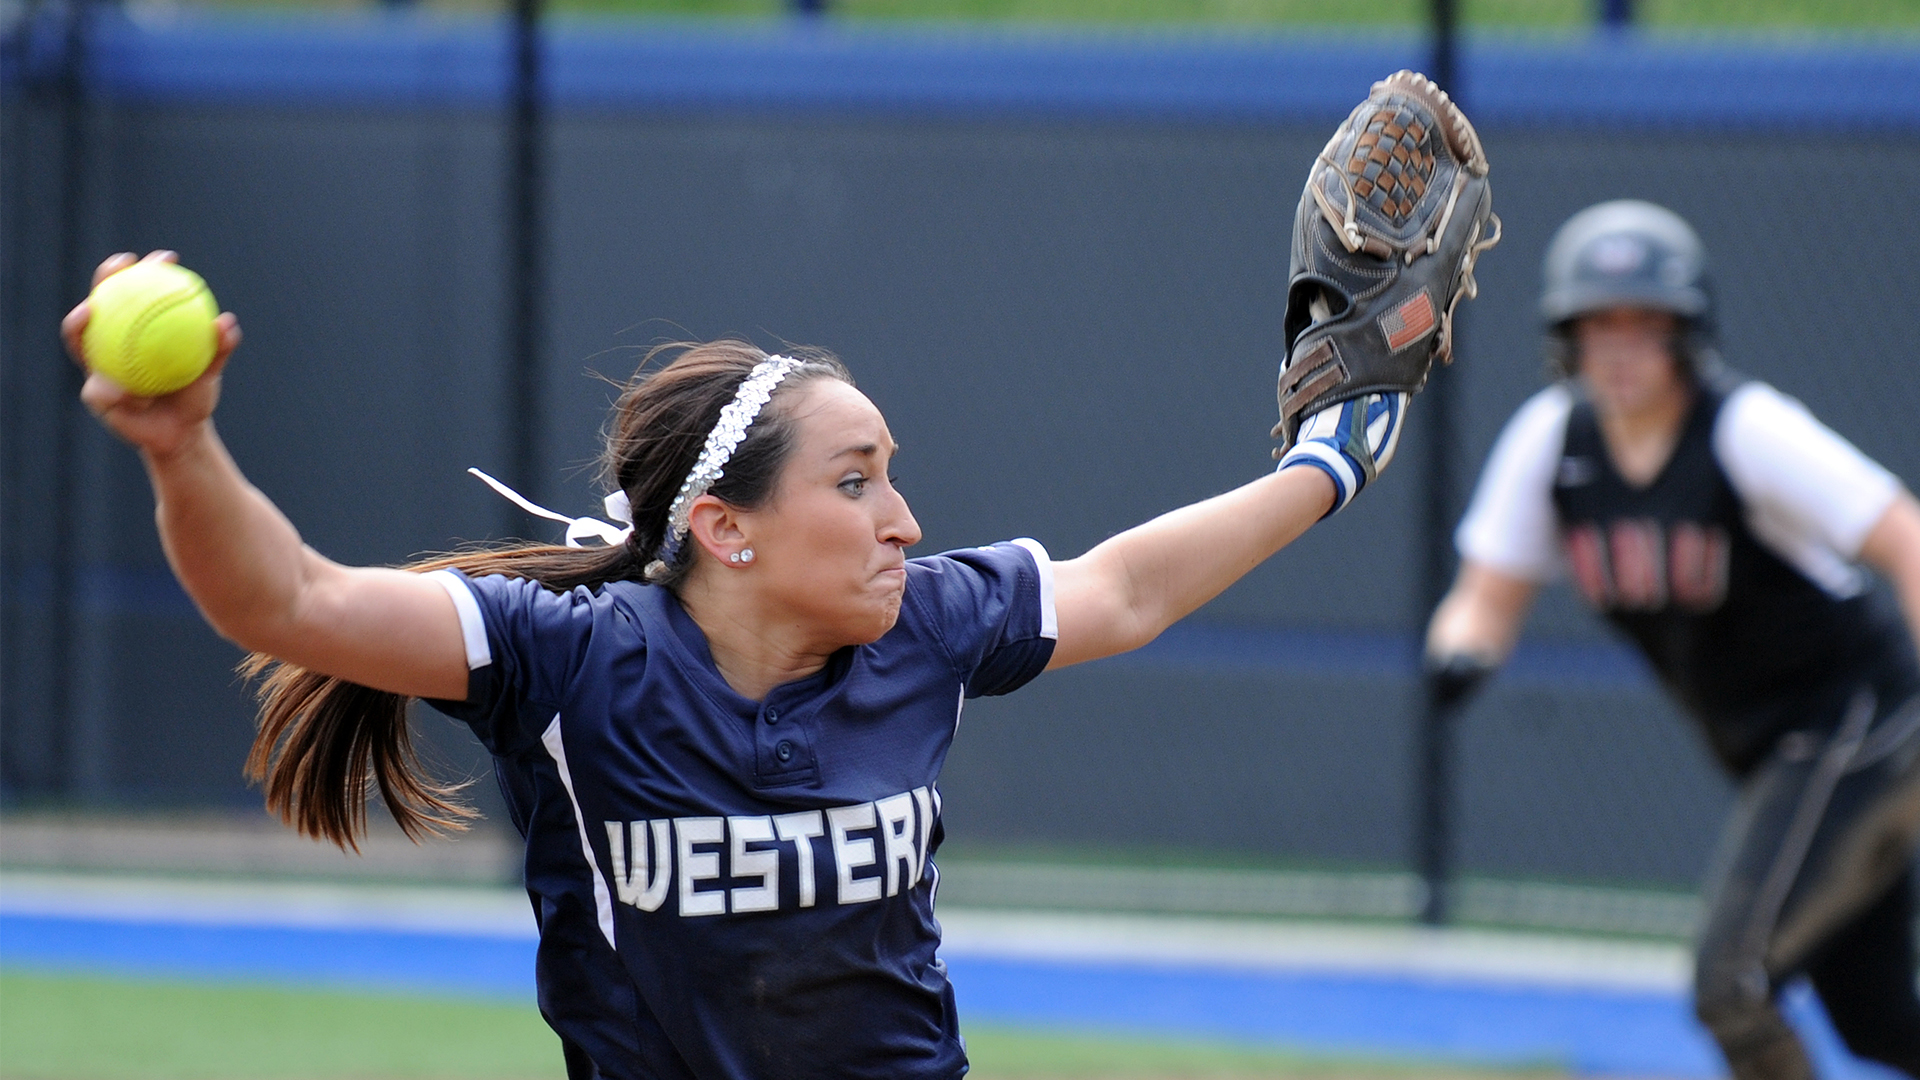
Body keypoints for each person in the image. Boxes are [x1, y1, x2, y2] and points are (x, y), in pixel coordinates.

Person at [64, 250, 1407, 1080]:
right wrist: (181, 448)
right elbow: (285, 601)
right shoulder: (572, 667)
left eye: (893, 476)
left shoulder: (926, 627)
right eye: (857, 480)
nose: (905, 520)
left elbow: (1124, 588)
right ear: (724, 528)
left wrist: (1327, 465)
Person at [1425, 201, 1920, 1079]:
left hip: (1864, 724)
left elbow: (1903, 535)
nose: (1618, 348)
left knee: (1732, 979)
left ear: (1686, 331)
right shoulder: (1553, 441)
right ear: (1566, 336)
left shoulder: (1743, 428)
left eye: (1643, 324)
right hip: (1781, 751)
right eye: (1597, 325)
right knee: (1880, 1019)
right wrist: (1462, 652)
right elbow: (1483, 599)